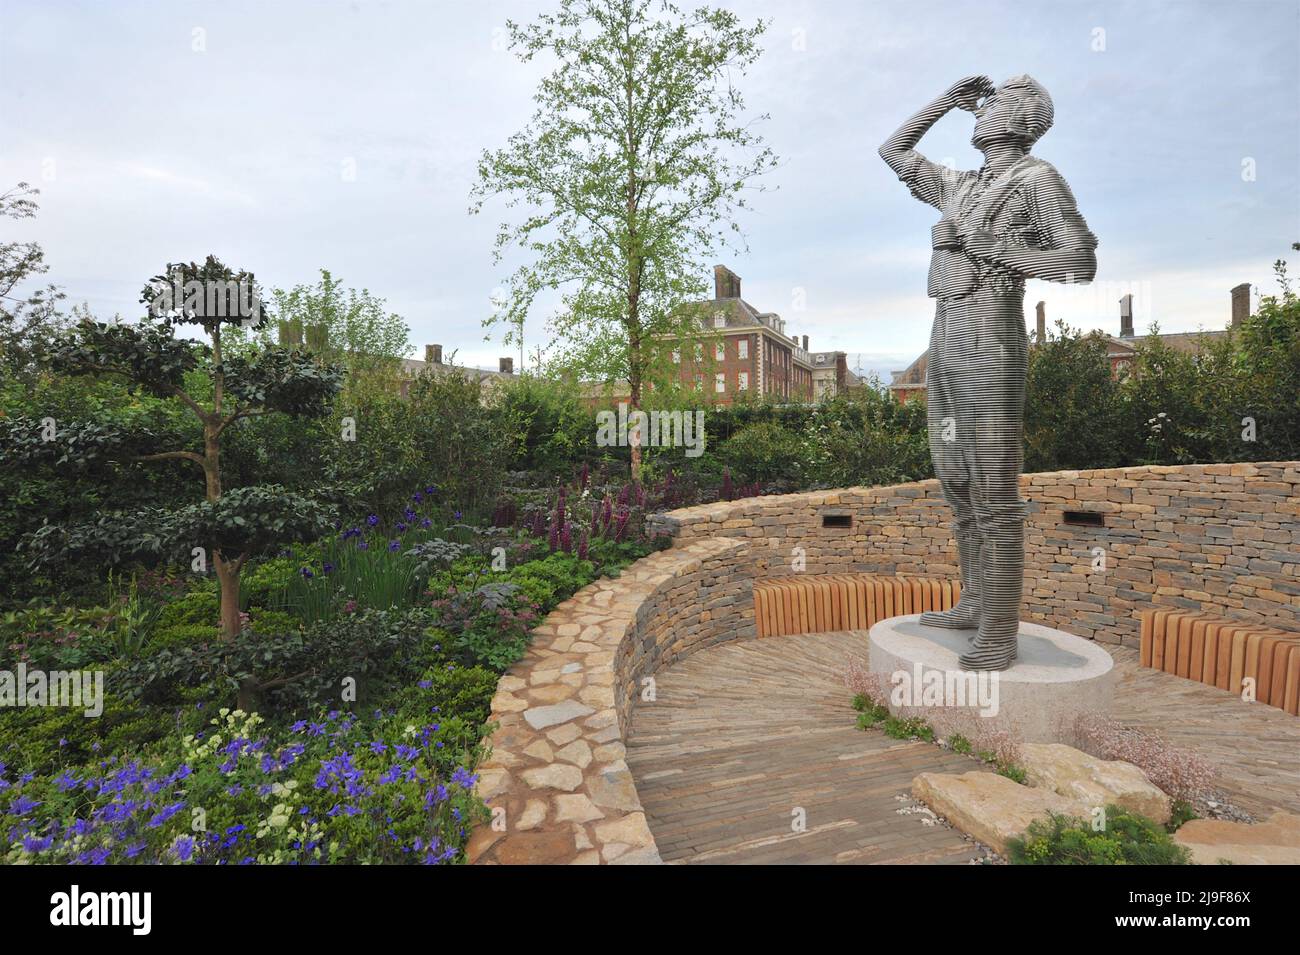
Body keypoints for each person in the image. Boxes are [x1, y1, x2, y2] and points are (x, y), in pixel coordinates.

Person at [878, 74, 1098, 670]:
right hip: (947, 335)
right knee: (956, 480)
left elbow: (1080, 260)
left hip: (992, 340)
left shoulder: (1037, 179)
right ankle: (975, 600)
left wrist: (984, 245)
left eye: (989, 105)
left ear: (1019, 121)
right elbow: (893, 151)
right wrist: (945, 99)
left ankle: (999, 631)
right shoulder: (963, 183)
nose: (978, 113)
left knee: (995, 489)